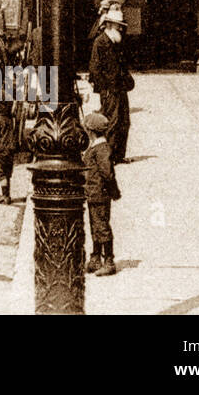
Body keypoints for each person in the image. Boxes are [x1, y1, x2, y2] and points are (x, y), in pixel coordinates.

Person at [88, 4, 132, 164]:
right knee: (111, 122)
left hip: (120, 88)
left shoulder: (116, 43)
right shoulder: (100, 42)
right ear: (110, 25)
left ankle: (119, 155)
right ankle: (109, 156)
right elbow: (94, 68)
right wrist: (103, 89)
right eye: (118, 26)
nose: (120, 29)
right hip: (109, 90)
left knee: (124, 121)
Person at [83, 112, 121, 275]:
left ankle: (109, 260)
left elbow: (107, 173)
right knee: (96, 226)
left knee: (102, 226)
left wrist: (113, 191)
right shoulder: (97, 147)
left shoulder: (101, 149)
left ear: (91, 131)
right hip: (93, 193)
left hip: (99, 193)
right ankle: (96, 257)